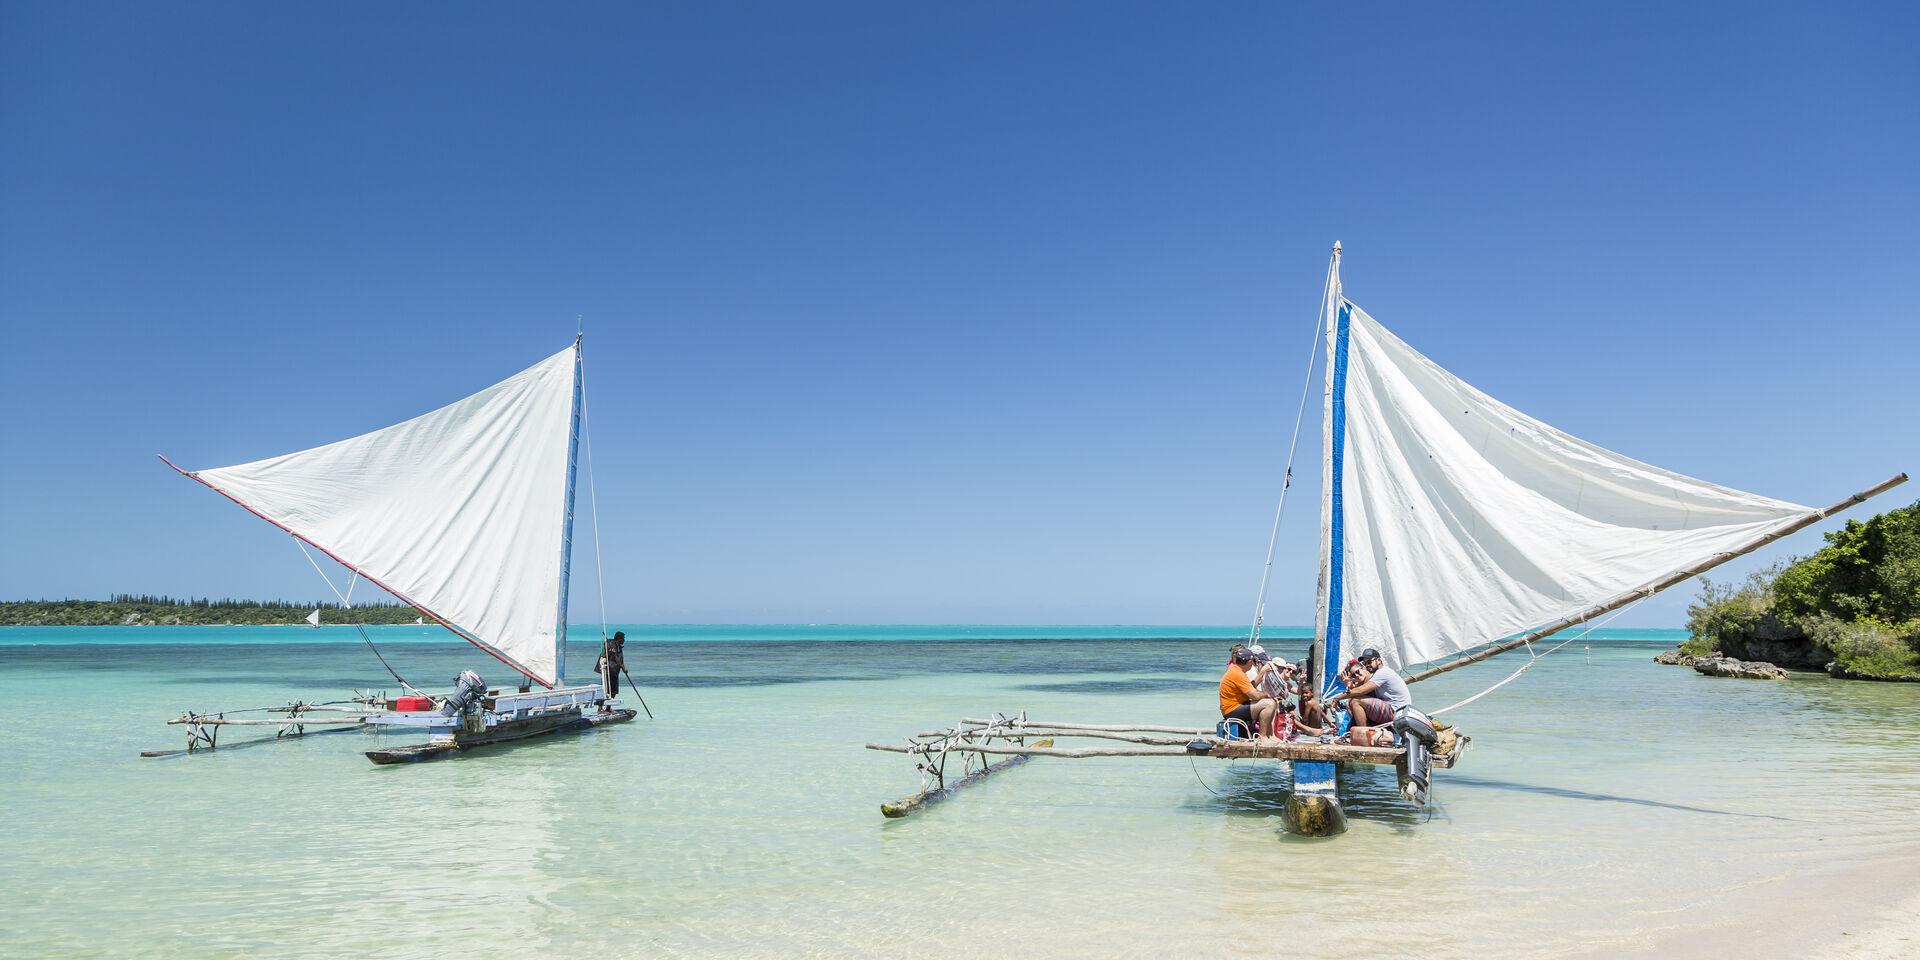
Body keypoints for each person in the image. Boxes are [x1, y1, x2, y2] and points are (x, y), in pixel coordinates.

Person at [1331, 646, 1411, 743]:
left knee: (1356, 702)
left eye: (1369, 662)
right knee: (1352, 702)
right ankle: (1361, 734)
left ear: (1379, 661)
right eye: (1365, 663)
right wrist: (1348, 683)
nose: (1367, 665)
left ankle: (1364, 737)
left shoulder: (1382, 673)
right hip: (1395, 710)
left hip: (1397, 711)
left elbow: (1360, 691)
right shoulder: (1375, 674)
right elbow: (1358, 692)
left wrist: (1337, 698)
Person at [1217, 644, 1277, 740]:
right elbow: (1254, 696)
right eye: (1253, 661)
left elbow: (1249, 689)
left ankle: (1270, 735)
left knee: (1272, 701)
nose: (1253, 664)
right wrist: (1266, 693)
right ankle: (1263, 736)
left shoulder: (1236, 669)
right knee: (1268, 704)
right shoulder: (1237, 673)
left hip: (1236, 705)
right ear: (1249, 662)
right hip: (1231, 709)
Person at [597, 630, 627, 697]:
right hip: (609, 671)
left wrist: (624, 668)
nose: (624, 640)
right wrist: (624, 668)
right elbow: (606, 656)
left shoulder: (619, 647)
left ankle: (608, 707)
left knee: (614, 690)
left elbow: (621, 660)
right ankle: (600, 707)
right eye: (623, 638)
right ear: (619, 639)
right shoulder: (611, 645)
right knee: (605, 689)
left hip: (615, 671)